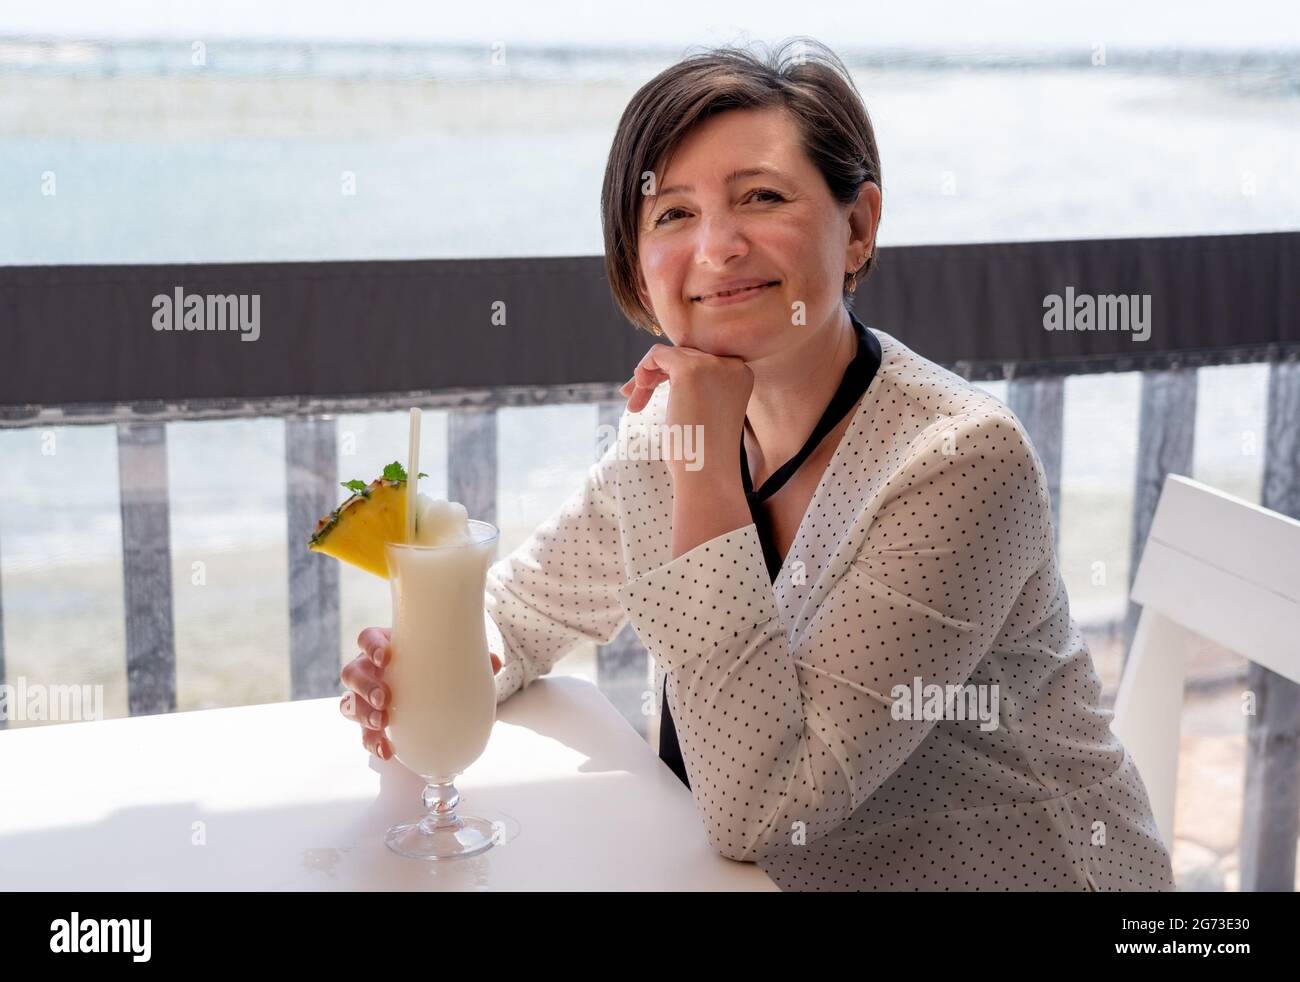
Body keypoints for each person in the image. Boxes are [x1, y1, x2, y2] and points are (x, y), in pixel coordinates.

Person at [341, 38, 1175, 892]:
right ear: (636, 263)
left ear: (858, 228)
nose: (719, 245)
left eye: (762, 197)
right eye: (672, 214)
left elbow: (762, 811)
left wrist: (701, 468)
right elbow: (517, 615)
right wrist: (429, 666)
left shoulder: (958, 461)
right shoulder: (658, 436)